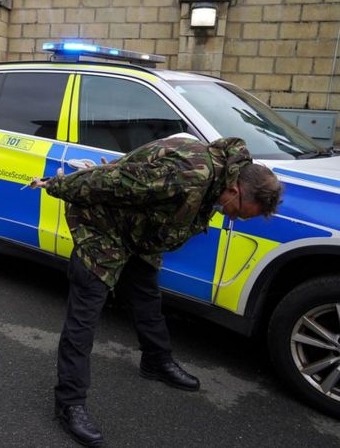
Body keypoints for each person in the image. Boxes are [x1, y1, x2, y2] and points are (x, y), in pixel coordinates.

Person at [31, 136, 282, 447]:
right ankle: (69, 403)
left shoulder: (223, 175)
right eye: (239, 211)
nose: (232, 217)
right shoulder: (187, 176)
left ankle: (156, 361)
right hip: (104, 227)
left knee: (147, 298)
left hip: (139, 233)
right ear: (235, 190)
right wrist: (56, 185)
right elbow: (108, 182)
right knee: (84, 316)